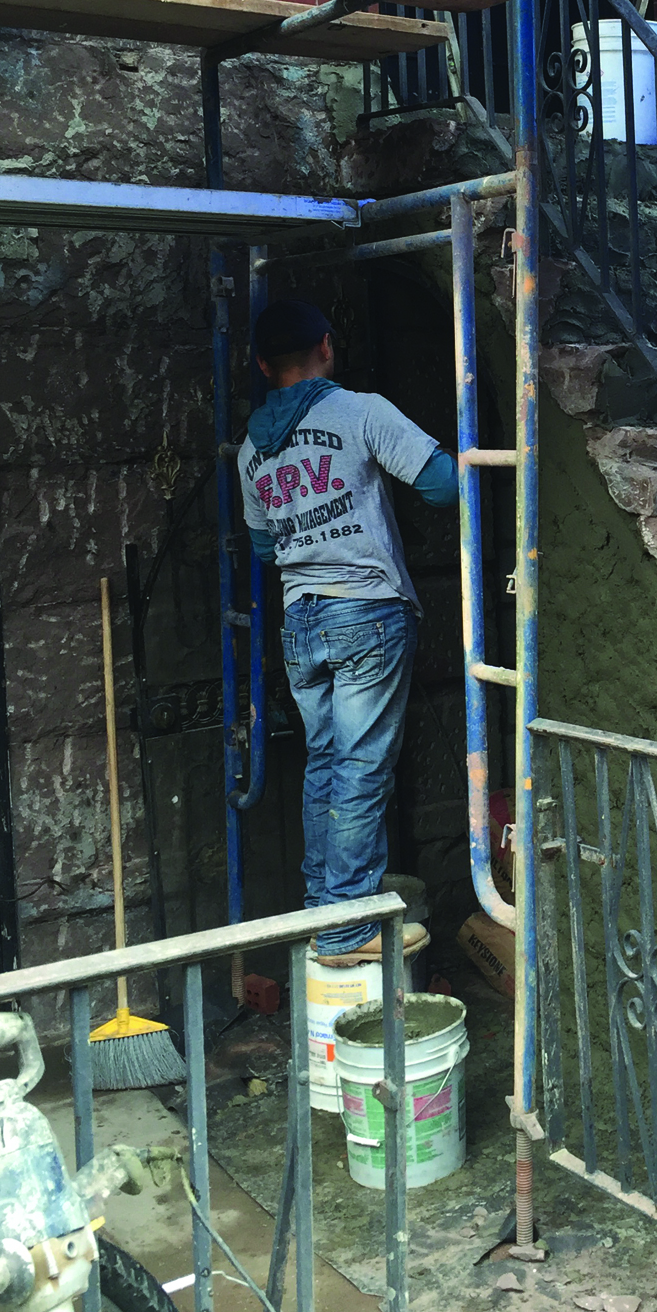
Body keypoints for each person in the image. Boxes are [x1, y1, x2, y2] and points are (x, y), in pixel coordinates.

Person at [238, 298, 458, 965]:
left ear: (261, 365)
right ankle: (346, 926)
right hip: (364, 611)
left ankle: (323, 908)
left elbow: (265, 549)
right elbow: (443, 483)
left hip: (300, 618)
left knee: (326, 764)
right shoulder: (359, 411)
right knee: (362, 767)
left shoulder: (251, 449)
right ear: (327, 346)